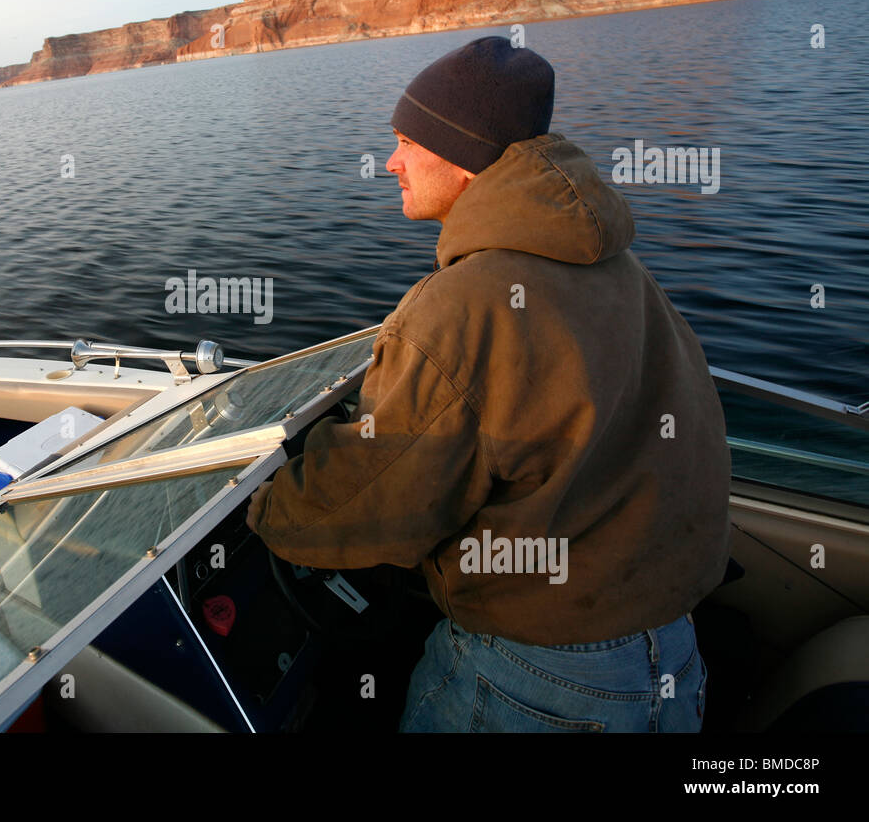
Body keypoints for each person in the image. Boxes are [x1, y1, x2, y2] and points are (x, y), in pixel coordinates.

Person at [244, 36, 732, 732]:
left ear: (463, 157)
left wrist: (263, 511)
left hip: (540, 683)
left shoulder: (458, 308)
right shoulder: (621, 271)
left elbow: (379, 495)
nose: (391, 162)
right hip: (673, 656)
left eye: (408, 140)